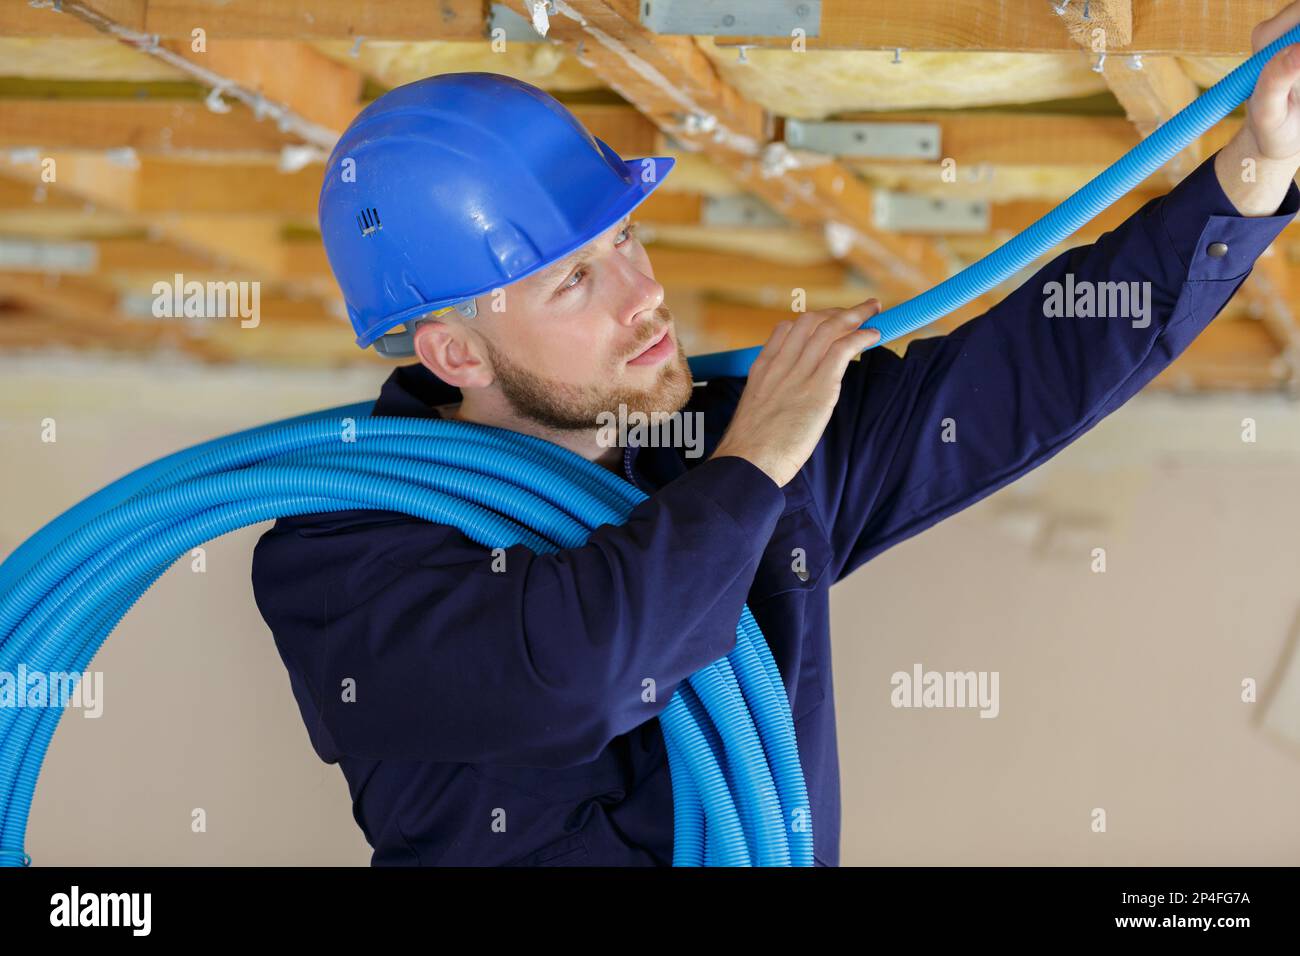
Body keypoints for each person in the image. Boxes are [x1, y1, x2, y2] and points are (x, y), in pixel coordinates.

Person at [251, 7, 1300, 865]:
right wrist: (751, 467)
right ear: (457, 356)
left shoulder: (725, 446)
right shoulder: (339, 553)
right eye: (576, 277)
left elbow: (1012, 382)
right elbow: (572, 671)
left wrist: (1252, 174)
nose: (644, 293)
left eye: (624, 240)